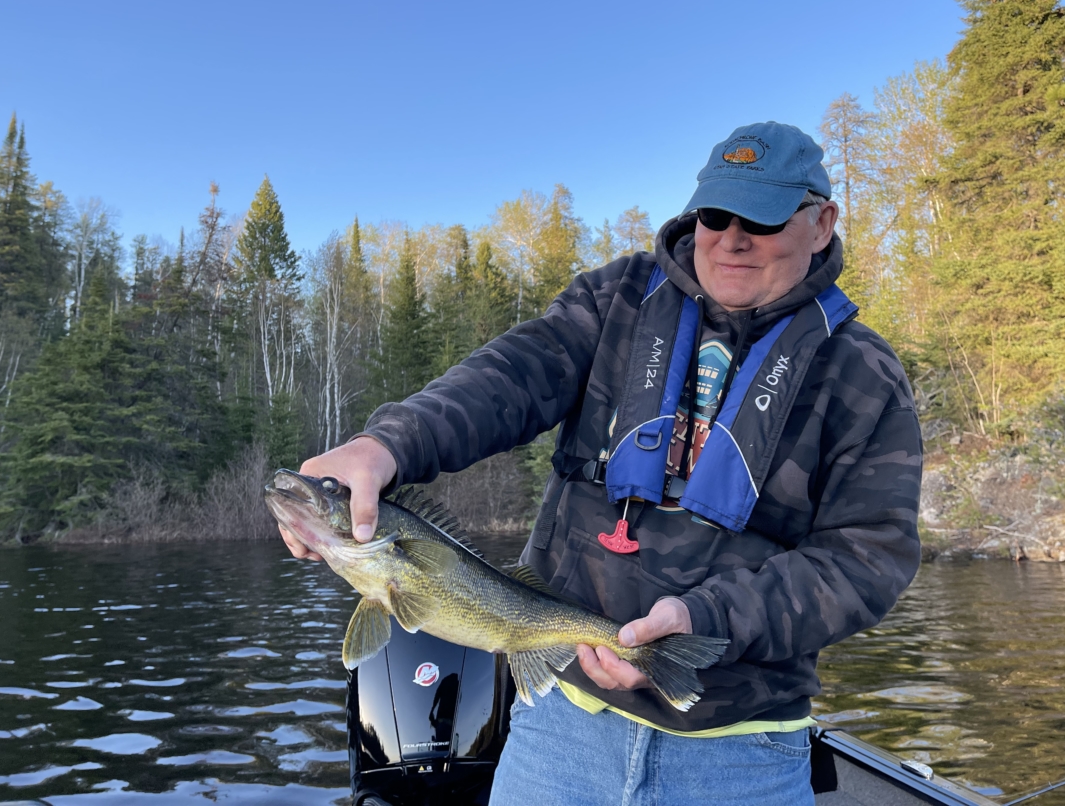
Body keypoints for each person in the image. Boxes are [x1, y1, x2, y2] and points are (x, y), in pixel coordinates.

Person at [281, 121, 923, 806]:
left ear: (821, 223)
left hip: (741, 752)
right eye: (716, 214)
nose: (733, 238)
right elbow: (512, 377)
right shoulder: (618, 299)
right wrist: (385, 445)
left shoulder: (864, 373)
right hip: (560, 730)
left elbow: (867, 560)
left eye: (762, 220)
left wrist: (705, 620)